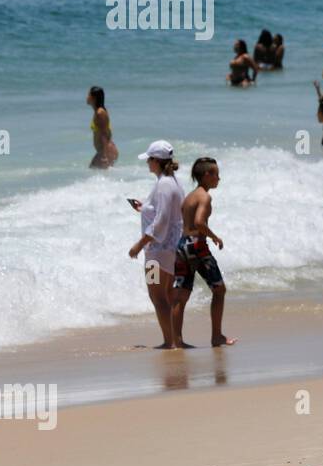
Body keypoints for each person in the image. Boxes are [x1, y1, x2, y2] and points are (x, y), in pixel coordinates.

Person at [172, 157, 235, 348]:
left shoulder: (189, 196)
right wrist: (215, 237)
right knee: (219, 290)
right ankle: (216, 337)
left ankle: (177, 341)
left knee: (181, 296)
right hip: (196, 245)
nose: (219, 178)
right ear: (206, 175)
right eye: (216, 174)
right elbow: (199, 222)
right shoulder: (204, 197)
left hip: (181, 245)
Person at [128, 141, 185, 349]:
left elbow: (161, 221)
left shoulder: (162, 185)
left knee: (156, 295)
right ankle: (173, 339)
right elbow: (167, 213)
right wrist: (144, 208)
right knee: (166, 294)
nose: (147, 164)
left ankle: (169, 342)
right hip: (170, 248)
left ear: (157, 161)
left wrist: (139, 244)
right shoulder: (174, 183)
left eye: (149, 160)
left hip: (156, 252)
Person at [86, 86, 118, 169]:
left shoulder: (100, 113)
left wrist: (104, 155)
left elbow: (104, 134)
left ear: (94, 98)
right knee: (96, 172)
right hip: (104, 150)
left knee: (93, 170)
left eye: (88, 95)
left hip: (107, 151)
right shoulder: (98, 112)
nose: (86, 97)